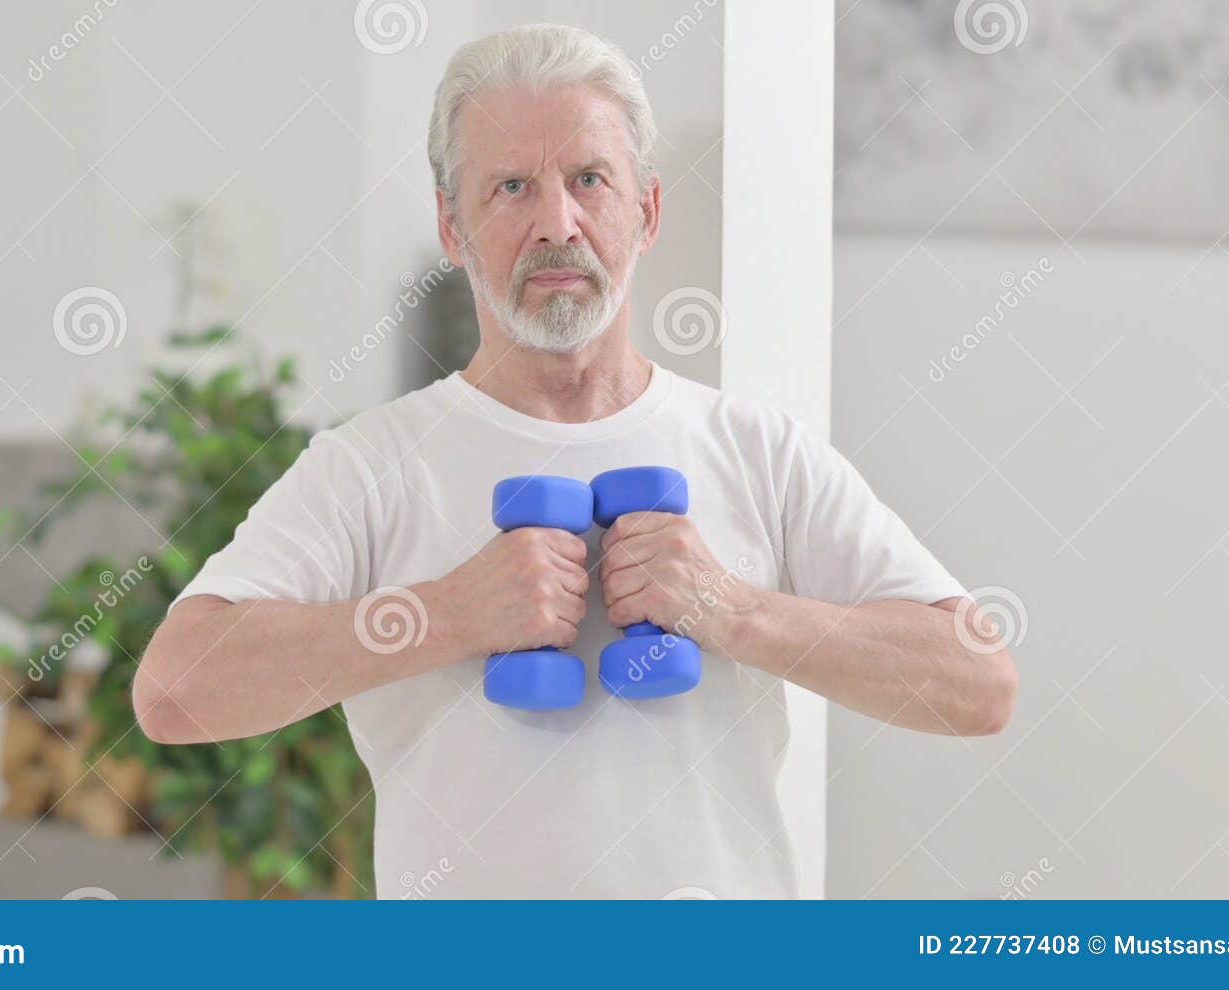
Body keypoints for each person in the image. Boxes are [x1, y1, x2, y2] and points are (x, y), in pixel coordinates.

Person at [133, 23, 1016, 898]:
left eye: (589, 180)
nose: (557, 223)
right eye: (511, 187)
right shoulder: (366, 468)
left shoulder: (759, 451)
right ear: (452, 226)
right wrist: (445, 613)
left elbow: (978, 683)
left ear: (647, 210)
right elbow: (176, 692)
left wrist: (733, 610)